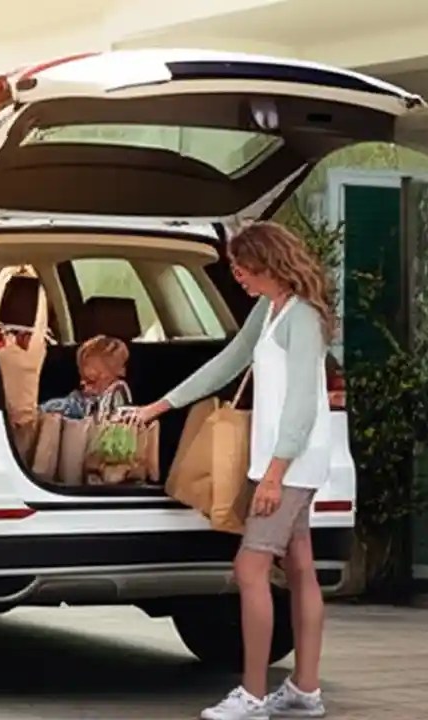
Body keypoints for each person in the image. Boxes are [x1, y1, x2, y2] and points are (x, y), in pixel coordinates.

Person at [134, 222, 334, 720]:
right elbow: (229, 362)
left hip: (289, 463)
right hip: (279, 461)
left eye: (242, 268)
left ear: (268, 263)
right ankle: (305, 690)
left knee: (250, 568)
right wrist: (161, 405)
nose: (238, 276)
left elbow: (302, 406)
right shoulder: (270, 311)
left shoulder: (303, 318)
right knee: (301, 565)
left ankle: (251, 695)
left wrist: (273, 475)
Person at [40, 335, 132, 420]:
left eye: (92, 380)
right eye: (86, 380)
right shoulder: (74, 404)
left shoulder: (118, 393)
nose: (83, 384)